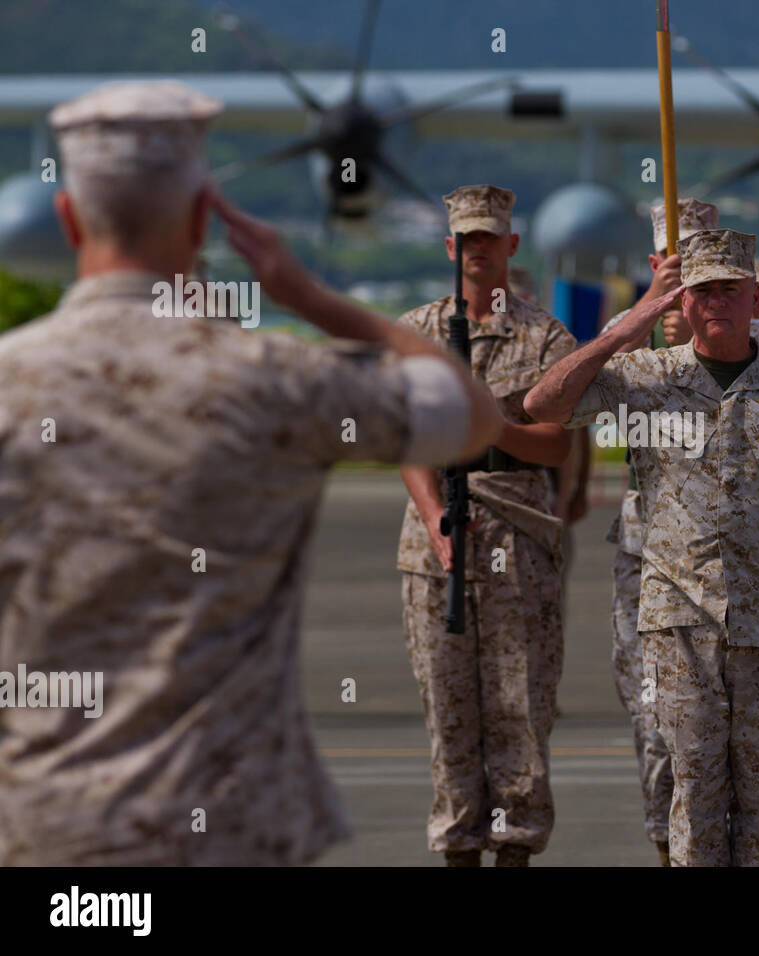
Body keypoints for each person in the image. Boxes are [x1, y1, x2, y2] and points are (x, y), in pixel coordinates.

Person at [0, 80, 502, 865]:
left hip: (49, 832)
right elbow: (471, 413)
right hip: (234, 828)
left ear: (67, 219)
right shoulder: (278, 380)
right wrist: (307, 296)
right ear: (205, 218)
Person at [525, 228, 759, 866]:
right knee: (693, 795)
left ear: (756, 296)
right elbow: (544, 404)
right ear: (684, 301)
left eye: (731, 288)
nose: (717, 302)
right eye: (702, 290)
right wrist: (633, 321)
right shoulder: (646, 376)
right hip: (679, 627)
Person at [599, 198, 759, 864]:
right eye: (678, 260)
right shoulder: (637, 327)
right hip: (647, 557)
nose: (694, 274)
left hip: (738, 577)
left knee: (747, 758)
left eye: (707, 257)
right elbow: (573, 392)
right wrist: (649, 309)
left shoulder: (756, 337)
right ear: (657, 262)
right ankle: (672, 851)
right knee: (662, 730)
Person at [395, 184, 577, 867]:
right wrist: (436, 518)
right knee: (450, 719)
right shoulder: (418, 331)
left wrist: (496, 429)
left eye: (488, 239)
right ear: (451, 249)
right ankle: (459, 850)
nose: (478, 251)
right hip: (436, 549)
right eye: (466, 241)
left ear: (511, 247)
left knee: (520, 714)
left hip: (519, 541)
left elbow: (559, 443)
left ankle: (515, 851)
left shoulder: (546, 336)